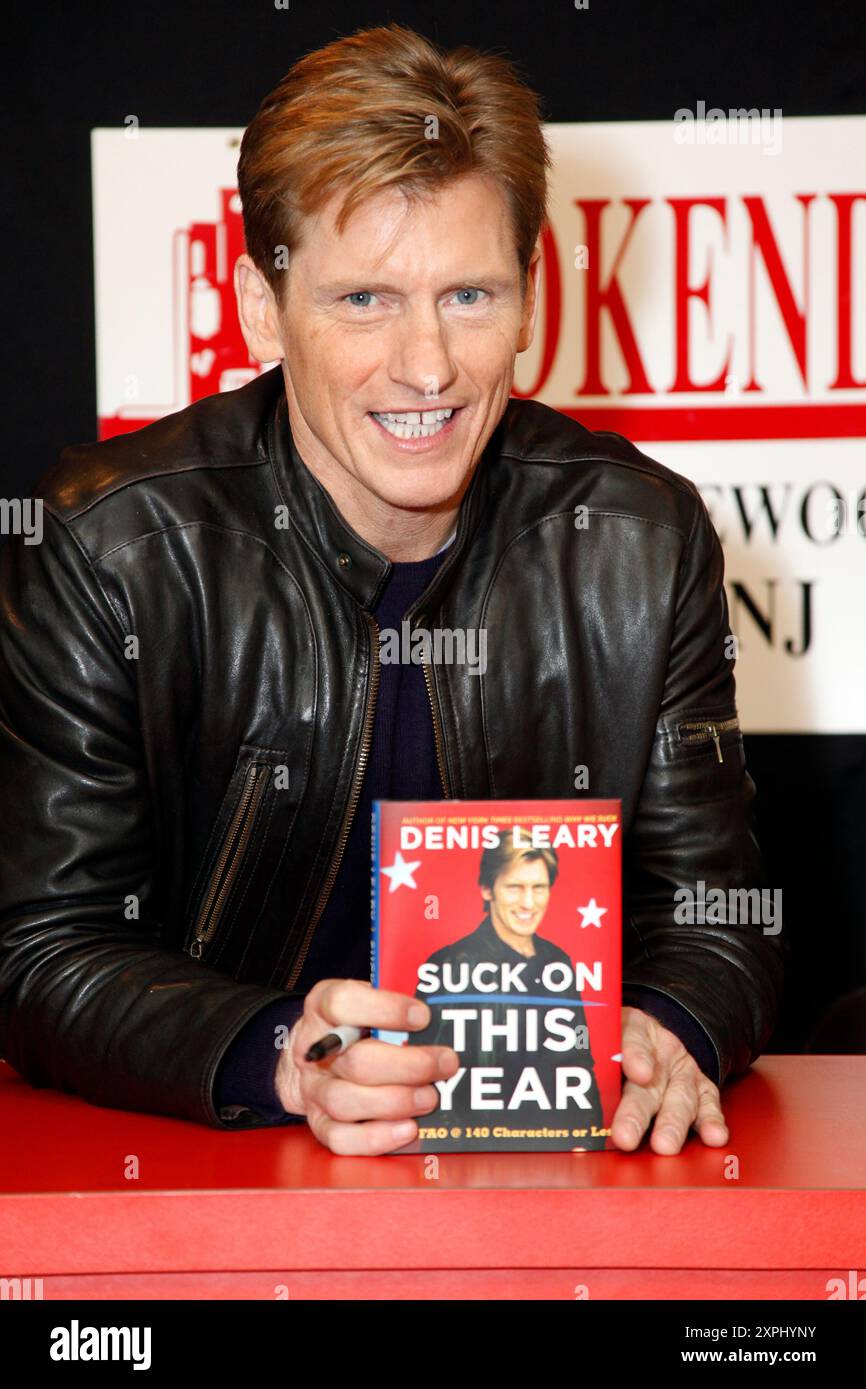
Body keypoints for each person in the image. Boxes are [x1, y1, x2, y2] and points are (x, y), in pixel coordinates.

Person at [0, 23, 783, 1155]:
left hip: (540, 1190)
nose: (427, 366)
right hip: (214, 1183)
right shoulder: (108, 544)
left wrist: (668, 1028)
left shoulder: (638, 538)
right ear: (260, 307)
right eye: (362, 299)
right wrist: (279, 1053)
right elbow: (41, 949)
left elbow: (715, 920)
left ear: (531, 298)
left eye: (469, 295)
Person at [408, 832, 607, 1151]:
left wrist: (589, 1140)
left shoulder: (557, 961)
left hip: (556, 1158)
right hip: (472, 1160)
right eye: (515, 887)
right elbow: (424, 1072)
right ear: (488, 890)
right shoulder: (448, 964)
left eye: (539, 888)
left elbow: (579, 1065)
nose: (529, 903)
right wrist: (458, 1155)